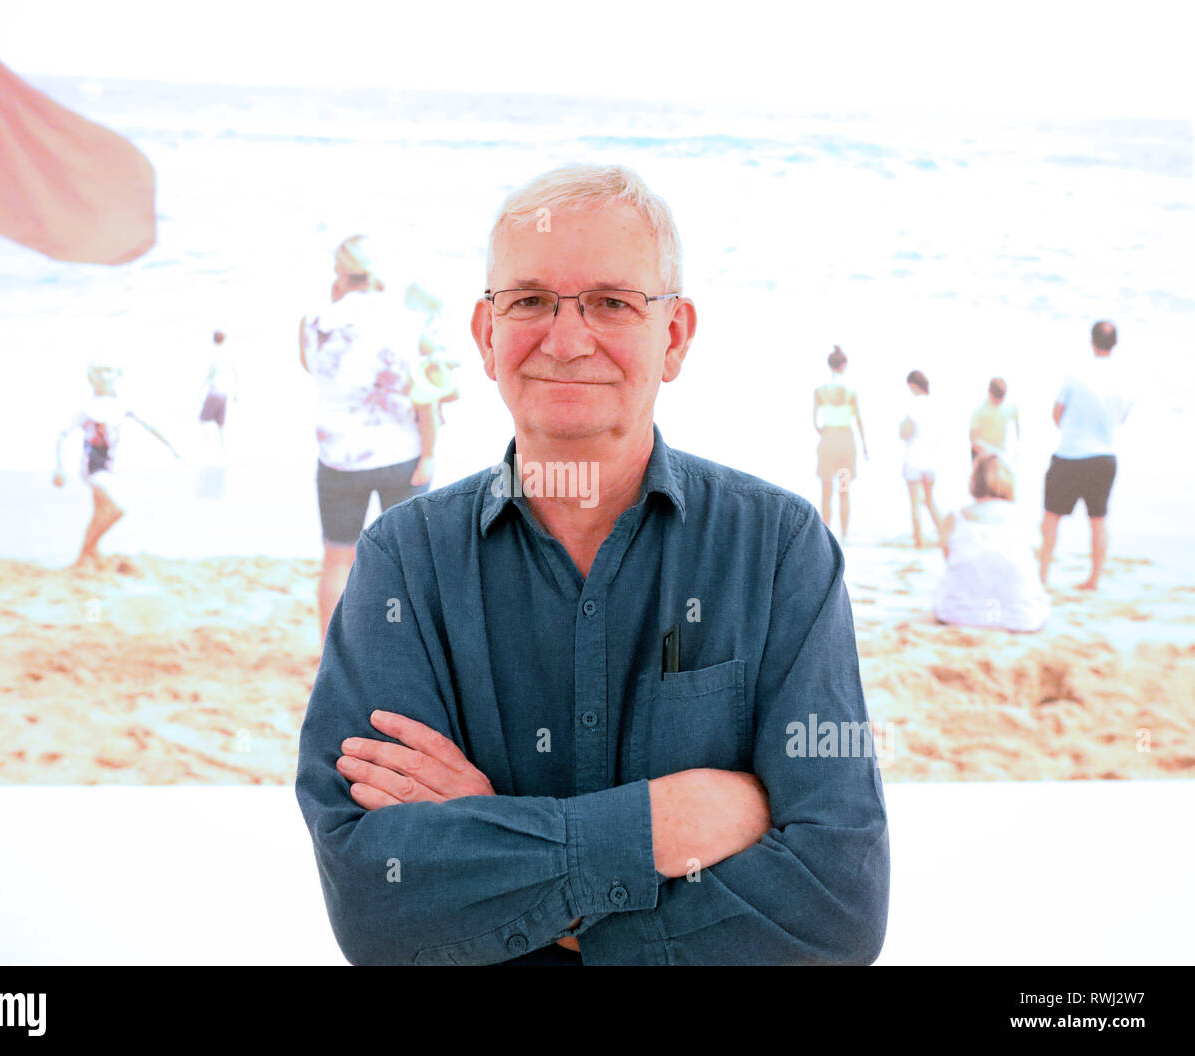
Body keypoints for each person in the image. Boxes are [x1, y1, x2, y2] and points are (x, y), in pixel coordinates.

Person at [295, 164, 889, 966]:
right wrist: (667, 824)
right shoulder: (403, 562)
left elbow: (838, 906)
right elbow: (377, 903)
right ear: (485, 335)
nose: (567, 340)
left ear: (674, 336)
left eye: (612, 303)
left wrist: (500, 850)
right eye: (530, 301)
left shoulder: (780, 548)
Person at [299, 235, 442, 645]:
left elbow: (313, 368)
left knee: (338, 559)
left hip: (339, 458)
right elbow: (430, 390)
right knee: (407, 562)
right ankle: (404, 651)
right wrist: (430, 453)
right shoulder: (407, 321)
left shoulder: (313, 321)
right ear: (379, 274)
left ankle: (333, 657)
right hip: (402, 456)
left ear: (339, 274)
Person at [53, 359, 179, 565]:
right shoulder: (87, 408)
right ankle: (87, 550)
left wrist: (172, 447)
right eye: (100, 372)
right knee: (118, 508)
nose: (105, 376)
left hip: (109, 468)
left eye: (109, 371)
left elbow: (150, 425)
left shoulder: (122, 405)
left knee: (100, 511)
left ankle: (88, 556)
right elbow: (62, 435)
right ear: (92, 377)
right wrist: (59, 467)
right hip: (93, 469)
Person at [1040, 320, 1133, 591]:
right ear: (1115, 343)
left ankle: (1043, 575)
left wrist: (1072, 430)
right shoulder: (1124, 379)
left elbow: (1056, 414)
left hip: (1070, 453)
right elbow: (1122, 418)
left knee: (1051, 517)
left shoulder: (1076, 374)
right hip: (1104, 456)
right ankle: (1094, 579)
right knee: (1098, 520)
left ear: (1091, 341)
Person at [934, 455, 1049, 631]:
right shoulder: (1024, 516)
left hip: (958, 614)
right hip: (1021, 616)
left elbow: (950, 558)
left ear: (974, 481)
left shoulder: (955, 518)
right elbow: (1035, 556)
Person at [813, 345, 868, 540]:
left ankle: (825, 537)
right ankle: (844, 536)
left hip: (828, 441)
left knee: (826, 491)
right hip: (846, 441)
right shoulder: (851, 390)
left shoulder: (820, 390)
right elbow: (858, 420)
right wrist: (865, 446)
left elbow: (815, 422)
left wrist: (824, 432)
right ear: (844, 365)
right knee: (844, 490)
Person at [899, 370, 944, 548]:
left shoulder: (914, 405)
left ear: (913, 385)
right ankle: (944, 534)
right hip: (931, 460)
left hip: (914, 458)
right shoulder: (935, 405)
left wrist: (900, 430)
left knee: (915, 503)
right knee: (930, 500)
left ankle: (919, 541)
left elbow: (906, 432)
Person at [198, 330, 237, 450]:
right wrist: (235, 393)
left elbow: (211, 373)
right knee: (220, 423)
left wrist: (201, 388)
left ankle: (208, 446)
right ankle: (223, 447)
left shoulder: (215, 354)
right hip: (224, 393)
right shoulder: (228, 354)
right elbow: (234, 374)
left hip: (215, 392)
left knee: (203, 420)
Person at [969, 377, 1020, 463]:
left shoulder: (1010, 407)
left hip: (1000, 455)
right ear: (989, 393)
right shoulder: (979, 411)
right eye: (996, 399)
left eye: (1001, 398)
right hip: (983, 456)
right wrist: (983, 452)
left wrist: (1016, 449)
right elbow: (973, 438)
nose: (999, 401)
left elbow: (1017, 427)